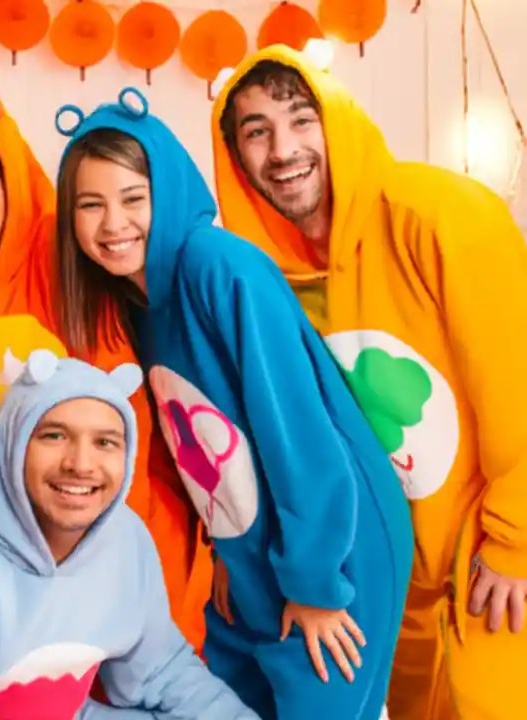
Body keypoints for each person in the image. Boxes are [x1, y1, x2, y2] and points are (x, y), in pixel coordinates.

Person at [51, 87, 413, 720]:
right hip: (253, 552)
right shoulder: (136, 304)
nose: (113, 224)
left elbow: (296, 429)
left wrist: (317, 583)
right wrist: (226, 548)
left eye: (134, 199)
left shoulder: (220, 267)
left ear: (168, 192)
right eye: (91, 204)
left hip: (335, 544)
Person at [210, 45, 527, 720]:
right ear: (235, 156)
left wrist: (515, 541)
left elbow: (517, 378)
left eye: (301, 120)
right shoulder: (266, 283)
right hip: (398, 596)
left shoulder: (440, 215)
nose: (283, 150)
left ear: (336, 120)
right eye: (257, 131)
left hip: (495, 572)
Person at [0, 90, 210, 650]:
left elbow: (125, 411)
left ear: (13, 175)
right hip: (45, 532)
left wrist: (112, 544)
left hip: (129, 516)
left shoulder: (58, 250)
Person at [0, 351, 256, 719]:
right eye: (54, 436)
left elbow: (161, 672)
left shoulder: (125, 539)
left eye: (105, 442)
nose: (81, 464)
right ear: (11, 445)